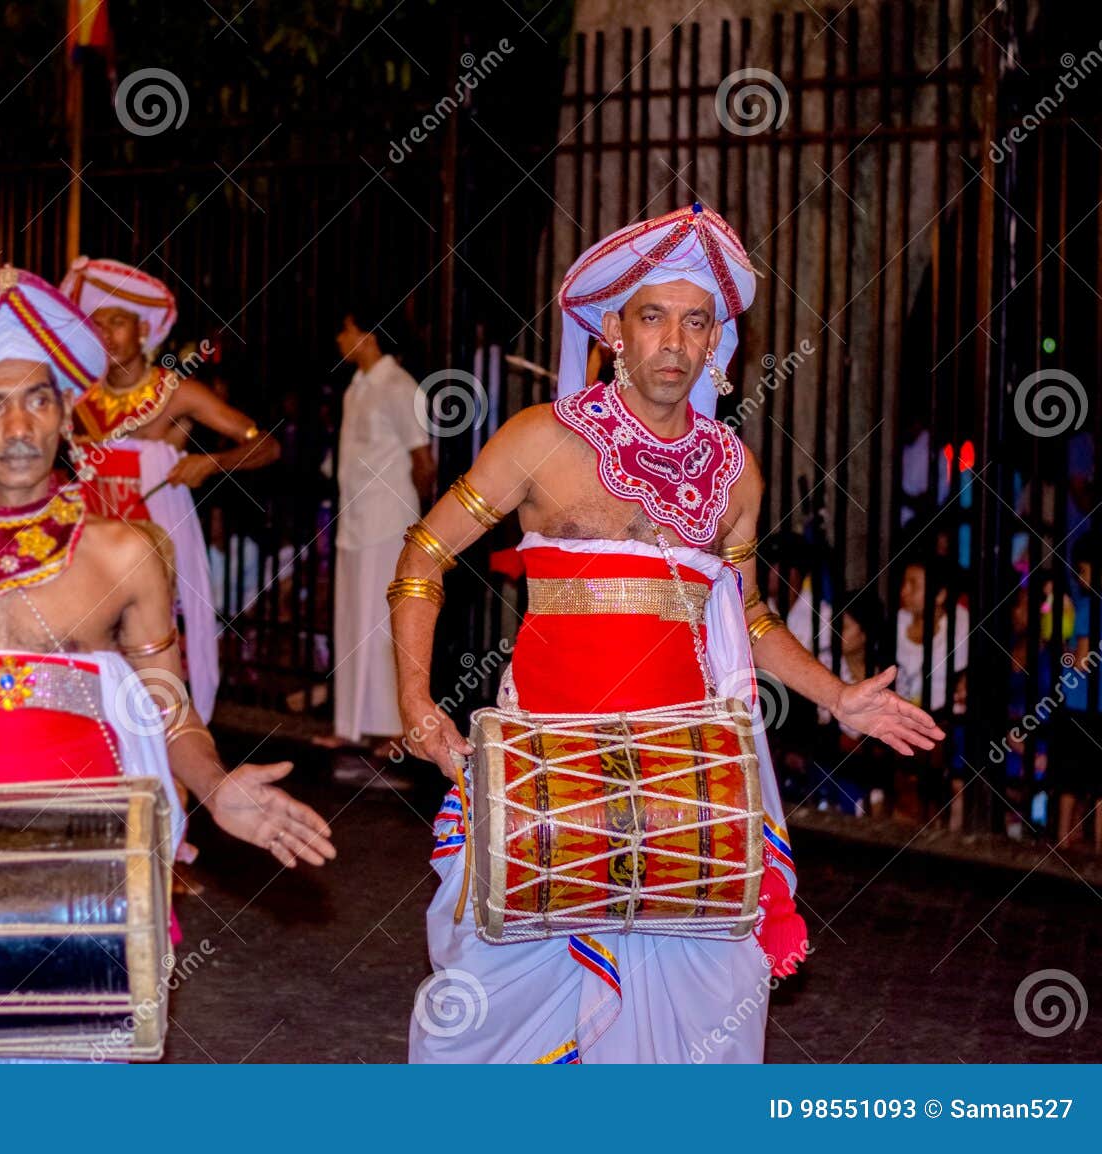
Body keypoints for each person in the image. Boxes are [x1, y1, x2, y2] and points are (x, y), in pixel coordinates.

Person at [391, 205, 944, 1064]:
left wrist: (839, 697)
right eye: (653, 317)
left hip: (690, 791)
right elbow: (424, 555)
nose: (675, 343)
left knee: (702, 1029)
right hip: (543, 774)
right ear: (613, 329)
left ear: (717, 340)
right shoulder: (541, 440)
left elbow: (748, 616)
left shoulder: (737, 474)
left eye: (696, 322)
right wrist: (419, 706)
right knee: (483, 1026)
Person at [0, 267, 333, 903]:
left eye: (38, 401)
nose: (19, 429)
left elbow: (169, 709)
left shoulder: (122, 554)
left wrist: (213, 787)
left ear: (66, 415)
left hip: (91, 875)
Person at [60, 257, 279, 724]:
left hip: (151, 554)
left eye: (117, 322)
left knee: (151, 663)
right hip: (89, 554)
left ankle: (171, 769)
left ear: (144, 331)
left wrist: (209, 463)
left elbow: (265, 446)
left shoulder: (176, 393)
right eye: (96, 324)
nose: (106, 334)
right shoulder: (77, 397)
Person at [328, 308, 434, 756]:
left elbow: (424, 462)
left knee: (386, 625)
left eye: (346, 328)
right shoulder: (357, 388)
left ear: (369, 335)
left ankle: (395, 728)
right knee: (353, 622)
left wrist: (423, 528)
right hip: (356, 521)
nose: (340, 338)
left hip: (390, 521)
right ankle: (350, 725)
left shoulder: (399, 386)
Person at [894, 552, 971, 830]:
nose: (904, 591)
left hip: (944, 719)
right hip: (902, 716)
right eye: (904, 583)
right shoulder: (896, 623)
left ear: (939, 595)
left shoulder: (960, 623)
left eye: (913, 585)